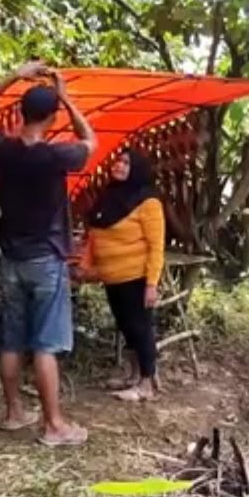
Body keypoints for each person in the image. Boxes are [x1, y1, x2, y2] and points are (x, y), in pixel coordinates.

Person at [0, 61, 96, 447]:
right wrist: (67, 96)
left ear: (22, 112)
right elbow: (90, 140)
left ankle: (14, 413)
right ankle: (54, 426)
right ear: (52, 115)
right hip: (46, 259)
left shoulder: (2, 149)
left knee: (11, 338)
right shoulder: (57, 157)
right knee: (45, 344)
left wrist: (14, 74)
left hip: (10, 257)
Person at [77, 149, 166, 402]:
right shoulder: (109, 196)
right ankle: (134, 376)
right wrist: (85, 264)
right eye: (117, 160)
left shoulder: (148, 202)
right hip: (112, 278)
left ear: (136, 169)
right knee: (127, 328)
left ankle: (147, 384)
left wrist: (151, 284)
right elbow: (94, 236)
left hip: (136, 278)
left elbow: (156, 246)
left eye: (126, 163)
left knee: (141, 329)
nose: (118, 165)